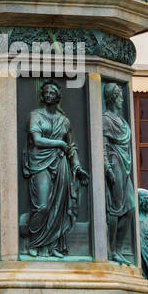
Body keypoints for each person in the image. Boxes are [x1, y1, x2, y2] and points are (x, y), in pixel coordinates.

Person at [21, 82, 88, 257]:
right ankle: (33, 240)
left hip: (60, 164)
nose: (50, 94)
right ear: (43, 96)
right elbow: (37, 140)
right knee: (43, 206)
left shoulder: (64, 121)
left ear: (58, 97)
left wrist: (77, 166)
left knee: (58, 207)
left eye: (53, 92)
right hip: (39, 163)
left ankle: (51, 247)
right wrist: (60, 143)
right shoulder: (35, 116)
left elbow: (72, 147)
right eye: (47, 92)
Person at [102, 82, 136, 263]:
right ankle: (111, 250)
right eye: (120, 95)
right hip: (114, 165)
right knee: (115, 209)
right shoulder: (106, 119)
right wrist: (107, 168)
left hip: (124, 165)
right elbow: (103, 145)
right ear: (113, 97)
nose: (122, 98)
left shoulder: (121, 120)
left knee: (130, 207)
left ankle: (118, 249)